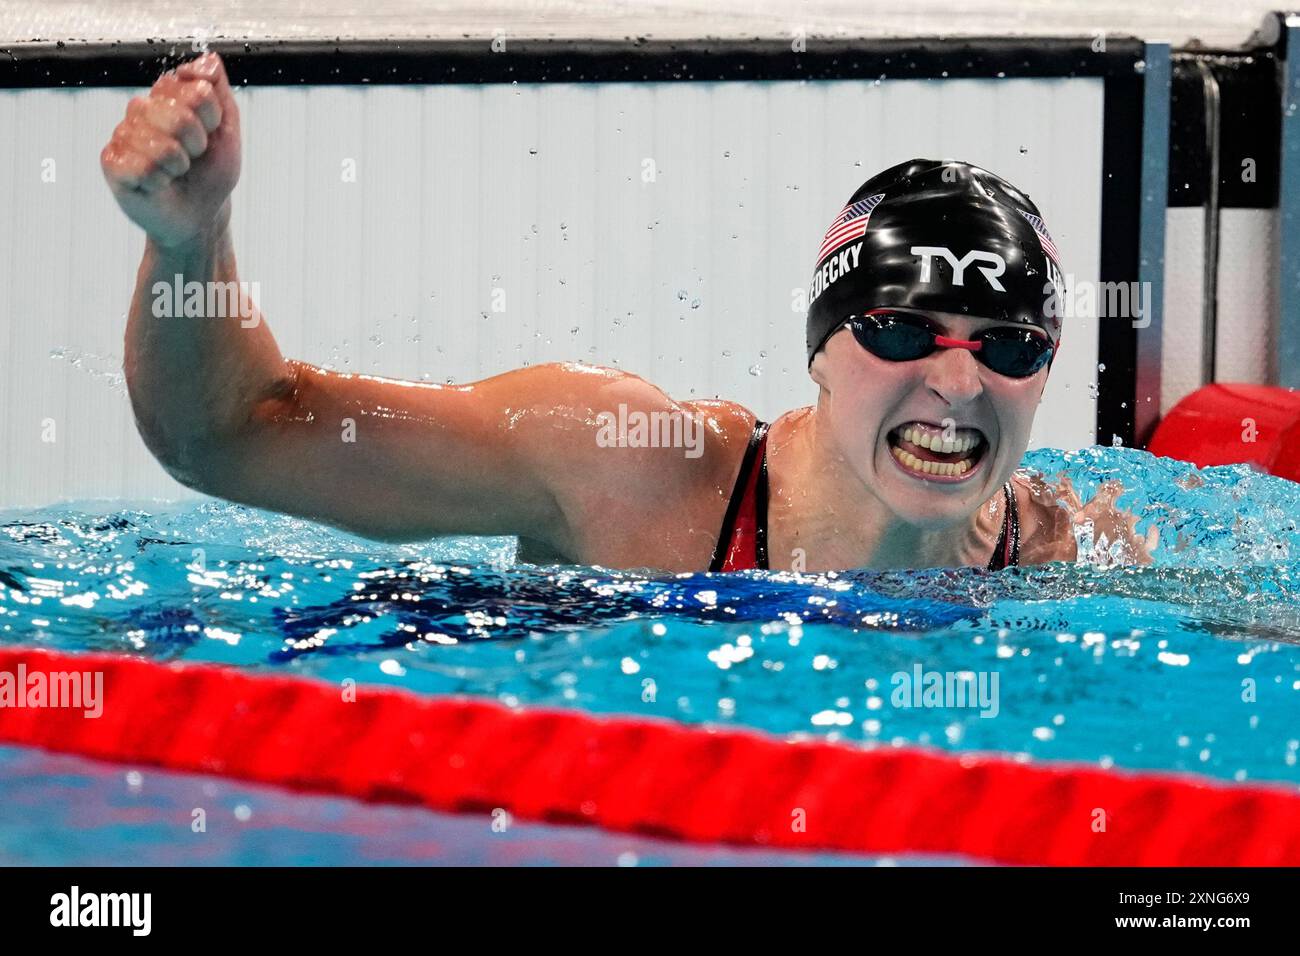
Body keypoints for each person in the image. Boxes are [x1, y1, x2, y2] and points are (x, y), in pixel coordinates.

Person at [100, 52, 1157, 574]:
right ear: (822, 352)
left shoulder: (1073, 553)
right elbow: (231, 436)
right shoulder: (624, 470)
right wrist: (190, 240)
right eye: (898, 331)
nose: (960, 383)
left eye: (1006, 345)